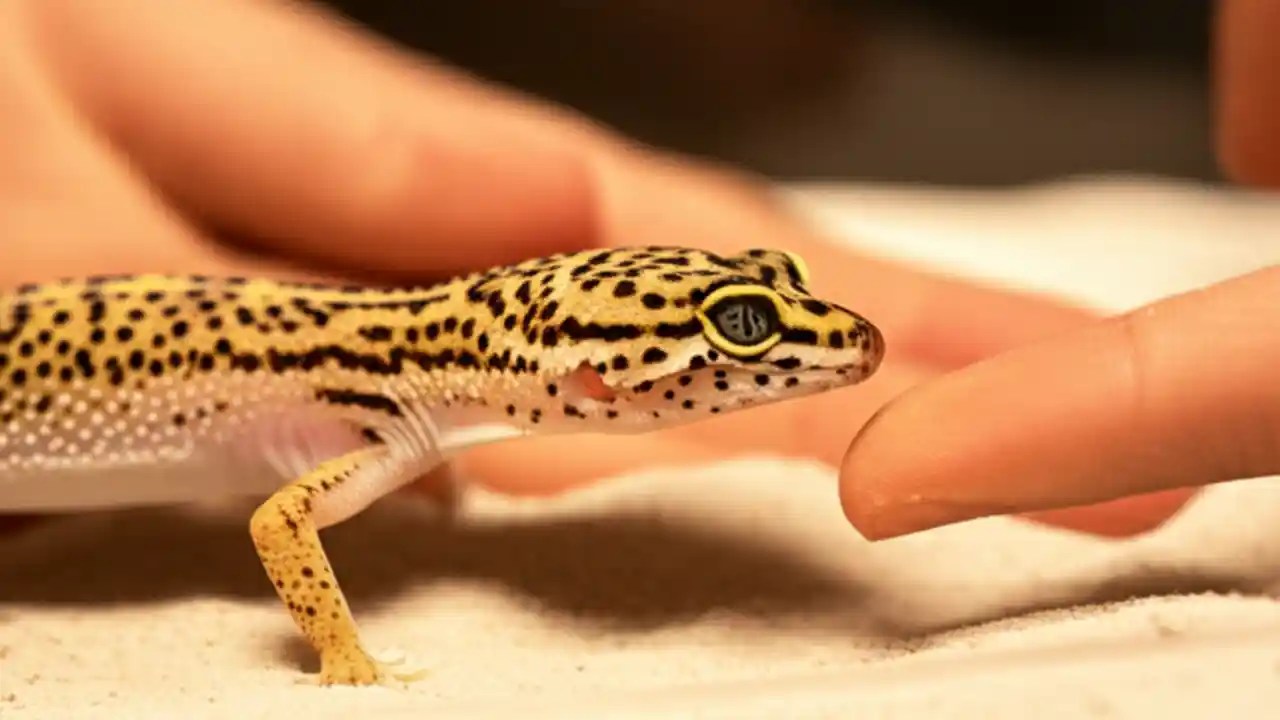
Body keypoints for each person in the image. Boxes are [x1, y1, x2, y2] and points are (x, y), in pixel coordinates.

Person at [0, 0, 1275, 542]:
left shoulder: (404, 411)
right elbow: (283, 518)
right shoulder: (385, 419)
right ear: (586, 367)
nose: (777, 349)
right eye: (724, 327)